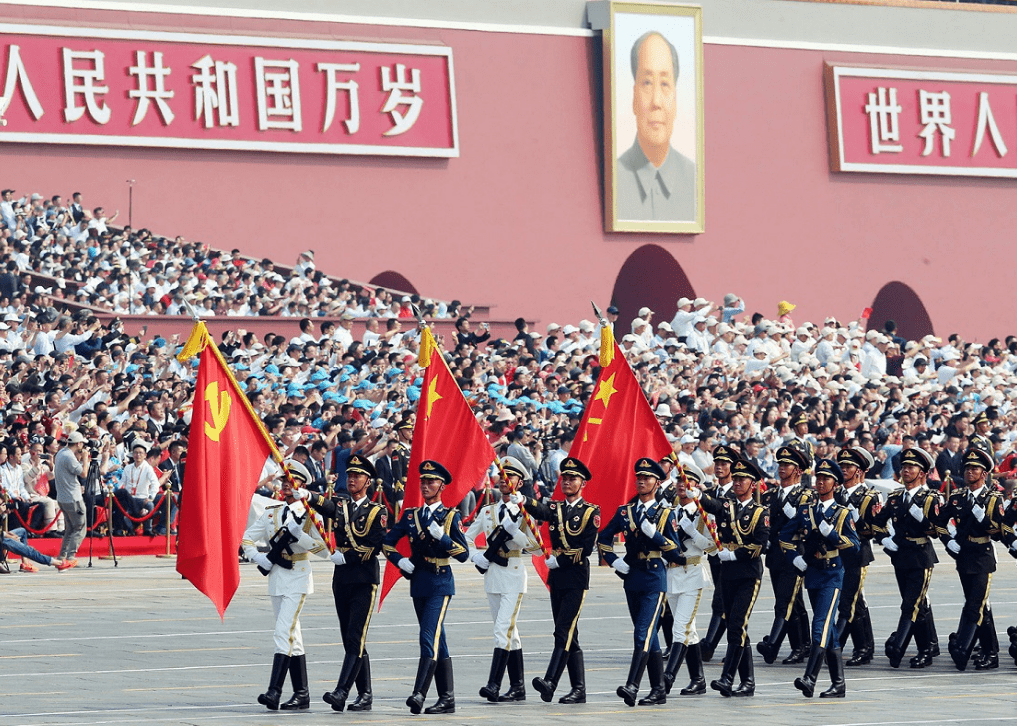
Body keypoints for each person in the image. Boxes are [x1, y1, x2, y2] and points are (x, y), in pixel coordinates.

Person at [298, 453, 387, 712]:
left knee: (356, 636)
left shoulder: (377, 511)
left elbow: (375, 545)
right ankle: (365, 694)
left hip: (364, 579)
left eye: (357, 476)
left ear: (367, 481)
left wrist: (348, 556)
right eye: (349, 475)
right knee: (351, 639)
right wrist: (307, 495)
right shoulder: (342, 505)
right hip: (342, 579)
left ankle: (341, 691)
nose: (351, 479)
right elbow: (325, 505)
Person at [383, 460, 470, 715]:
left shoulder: (450, 516)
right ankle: (447, 698)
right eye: (423, 481)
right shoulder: (411, 516)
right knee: (437, 639)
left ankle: (419, 693)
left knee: (427, 636)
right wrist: (400, 561)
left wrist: (443, 538)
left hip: (440, 582)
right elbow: (387, 543)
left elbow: (463, 554)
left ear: (441, 486)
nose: (425, 485)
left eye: (431, 481)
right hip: (419, 581)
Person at [242, 460, 330, 711]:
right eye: (283, 481)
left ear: (302, 485)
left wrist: (300, 535)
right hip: (276, 577)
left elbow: (325, 551)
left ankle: (274, 691)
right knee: (293, 635)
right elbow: (247, 538)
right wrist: (259, 558)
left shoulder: (310, 515)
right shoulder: (272, 511)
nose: (286, 485)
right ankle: (302, 694)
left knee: (282, 632)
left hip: (298, 577)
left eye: (292, 481)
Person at [597, 458, 683, 707]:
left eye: (647, 478)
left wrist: (655, 535)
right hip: (632, 577)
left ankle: (632, 685)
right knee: (649, 637)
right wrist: (615, 561)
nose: (642, 481)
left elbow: (676, 552)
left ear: (657, 483)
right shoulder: (626, 512)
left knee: (642, 633)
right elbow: (603, 538)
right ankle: (658, 690)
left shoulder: (665, 513)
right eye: (639, 478)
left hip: (655, 579)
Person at [520, 456, 600, 705]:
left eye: (572, 478)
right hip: (557, 578)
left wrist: (562, 560)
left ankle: (551, 681)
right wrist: (523, 500)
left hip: (575, 576)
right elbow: (541, 510)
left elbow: (585, 549)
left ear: (582, 483)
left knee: (563, 631)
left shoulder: (591, 511)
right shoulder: (556, 508)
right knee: (570, 635)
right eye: (564, 478)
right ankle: (579, 689)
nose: (566, 482)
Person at [780, 459, 859, 698]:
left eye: (826, 479)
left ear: (836, 484)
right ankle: (839, 684)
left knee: (820, 624)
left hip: (832, 575)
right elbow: (784, 536)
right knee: (829, 629)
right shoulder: (806, 510)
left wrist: (833, 535)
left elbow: (854, 546)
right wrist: (795, 558)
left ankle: (810, 678)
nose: (821, 482)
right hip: (813, 573)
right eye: (819, 478)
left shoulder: (843, 513)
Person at [465, 456, 540, 703]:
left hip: (514, 576)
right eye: (502, 475)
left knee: (501, 629)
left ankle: (493, 684)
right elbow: (466, 538)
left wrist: (515, 532)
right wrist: (476, 556)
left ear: (520, 482)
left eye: (511, 476)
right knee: (510, 632)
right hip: (492, 575)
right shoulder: (488, 511)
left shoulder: (524, 512)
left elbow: (538, 548)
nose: (504, 480)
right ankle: (518, 687)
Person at [698, 459, 769, 698]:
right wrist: (698, 495)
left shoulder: (760, 512)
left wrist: (735, 554)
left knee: (737, 625)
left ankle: (727, 678)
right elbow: (713, 505)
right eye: (735, 479)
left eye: (742, 479)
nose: (737, 483)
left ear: (752, 484)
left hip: (748, 574)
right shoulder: (727, 506)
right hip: (727, 573)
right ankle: (747, 682)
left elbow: (760, 544)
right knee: (735, 626)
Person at [871, 447, 942, 669]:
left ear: (922, 473)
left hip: (921, 556)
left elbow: (936, 531)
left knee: (910, 605)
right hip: (901, 556)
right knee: (916, 605)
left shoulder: (930, 498)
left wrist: (923, 519)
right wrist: (884, 539)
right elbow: (876, 522)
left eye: (911, 467)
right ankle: (927, 647)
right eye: (904, 467)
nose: (905, 470)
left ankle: (899, 648)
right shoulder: (895, 497)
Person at [615, 31, 696, 222]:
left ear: (676, 100)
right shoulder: (613, 179)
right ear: (634, 98)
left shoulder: (696, 181)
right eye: (647, 83)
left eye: (665, 84)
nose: (656, 101)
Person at [936, 446, 1004, 671]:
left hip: (982, 556)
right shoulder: (958, 497)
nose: (969, 472)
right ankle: (990, 652)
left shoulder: (992, 499)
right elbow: (939, 522)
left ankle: (963, 649)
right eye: (967, 468)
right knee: (980, 606)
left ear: (984, 474)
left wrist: (981, 516)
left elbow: (997, 530)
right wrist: (948, 541)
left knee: (975, 605)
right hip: (963, 555)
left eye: (974, 469)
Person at [757, 444, 815, 665]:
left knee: (785, 602)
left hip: (795, 555)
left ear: (798, 470)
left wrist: (796, 516)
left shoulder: (806, 495)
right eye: (780, 464)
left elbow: (810, 526)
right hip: (775, 556)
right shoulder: (770, 495)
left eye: (787, 464)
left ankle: (773, 645)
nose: (781, 468)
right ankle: (803, 644)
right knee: (794, 602)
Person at [661, 462, 716, 696]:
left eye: (687, 481)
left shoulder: (703, 513)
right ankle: (698, 680)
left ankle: (667, 678)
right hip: (671, 574)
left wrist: (693, 533)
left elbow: (713, 547)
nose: (682, 485)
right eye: (679, 480)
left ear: (696, 485)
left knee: (680, 628)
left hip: (692, 573)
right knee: (688, 630)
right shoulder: (669, 510)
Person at [834, 445, 881, 666]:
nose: (843, 469)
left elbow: (874, 528)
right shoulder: (836, 494)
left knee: (848, 602)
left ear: (860, 471)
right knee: (856, 601)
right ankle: (865, 647)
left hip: (857, 553)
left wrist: (856, 519)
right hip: (837, 553)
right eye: (842, 465)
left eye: (848, 466)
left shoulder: (870, 496)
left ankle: (834, 646)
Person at [700, 443, 739, 661]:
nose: (719, 467)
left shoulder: (738, 492)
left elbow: (720, 508)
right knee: (726, 601)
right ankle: (732, 645)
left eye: (724, 463)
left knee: (723, 600)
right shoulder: (711, 492)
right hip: (714, 554)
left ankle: (710, 645)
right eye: (717, 463)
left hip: (732, 555)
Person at [0, 499, 75, 571]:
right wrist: (8, 536)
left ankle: (25, 563)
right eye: (1, 505)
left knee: (22, 531)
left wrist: (3, 516)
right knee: (29, 550)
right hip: (1, 538)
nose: (4, 506)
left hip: (2, 534)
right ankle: (58, 563)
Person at [54, 431, 90, 565]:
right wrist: (85, 459)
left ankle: (62, 555)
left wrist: (80, 458)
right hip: (73, 498)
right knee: (80, 527)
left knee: (70, 529)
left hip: (62, 497)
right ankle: (70, 556)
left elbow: (72, 469)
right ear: (79, 444)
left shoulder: (61, 453)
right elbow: (84, 473)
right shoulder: (69, 456)